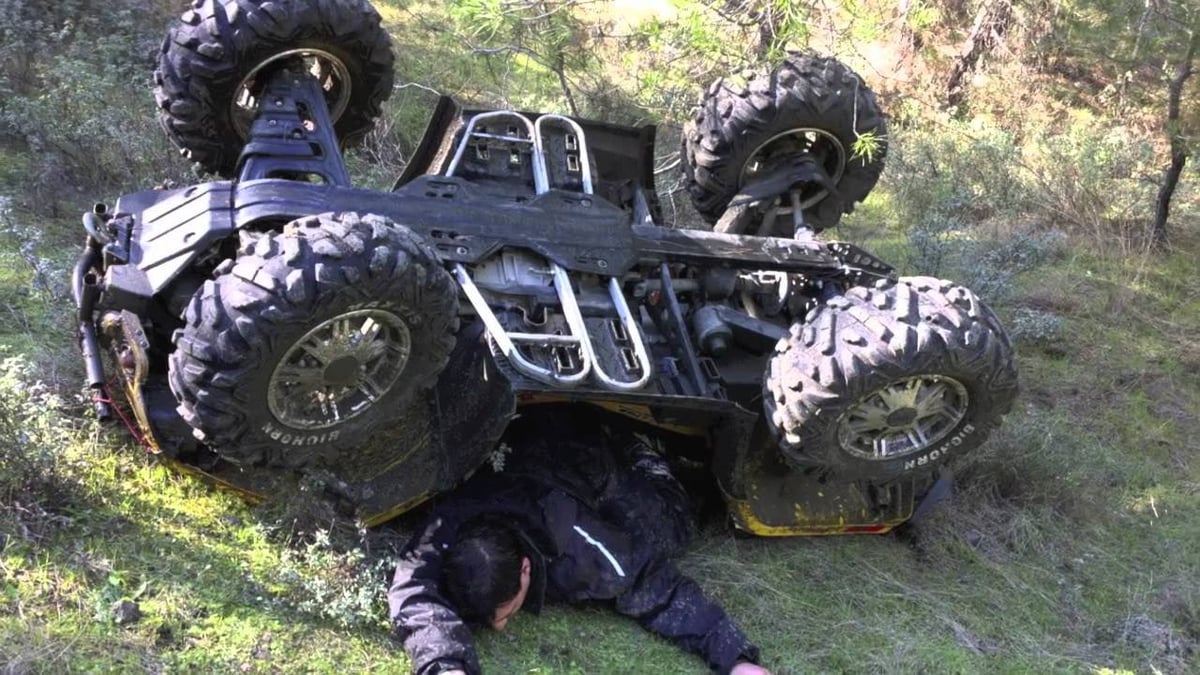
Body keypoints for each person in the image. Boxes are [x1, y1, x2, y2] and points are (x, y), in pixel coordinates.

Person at [387, 405, 770, 675]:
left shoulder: (585, 549)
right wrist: (445, 666)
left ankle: (643, 449)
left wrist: (735, 658)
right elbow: (411, 589)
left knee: (669, 529)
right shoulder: (447, 527)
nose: (500, 628)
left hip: (589, 457)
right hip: (526, 446)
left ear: (526, 568)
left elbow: (654, 586)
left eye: (505, 611)